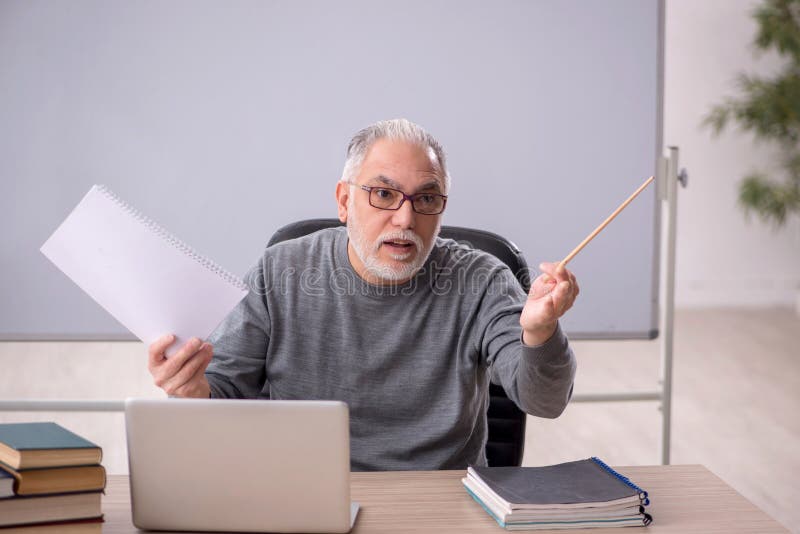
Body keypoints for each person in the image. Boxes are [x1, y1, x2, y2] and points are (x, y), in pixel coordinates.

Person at [147, 119, 579, 471]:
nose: (405, 218)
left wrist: (540, 332)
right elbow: (222, 398)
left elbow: (545, 400)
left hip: (440, 505)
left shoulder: (482, 279)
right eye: (384, 194)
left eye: (426, 198)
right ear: (343, 201)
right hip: (299, 494)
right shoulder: (281, 270)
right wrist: (191, 391)